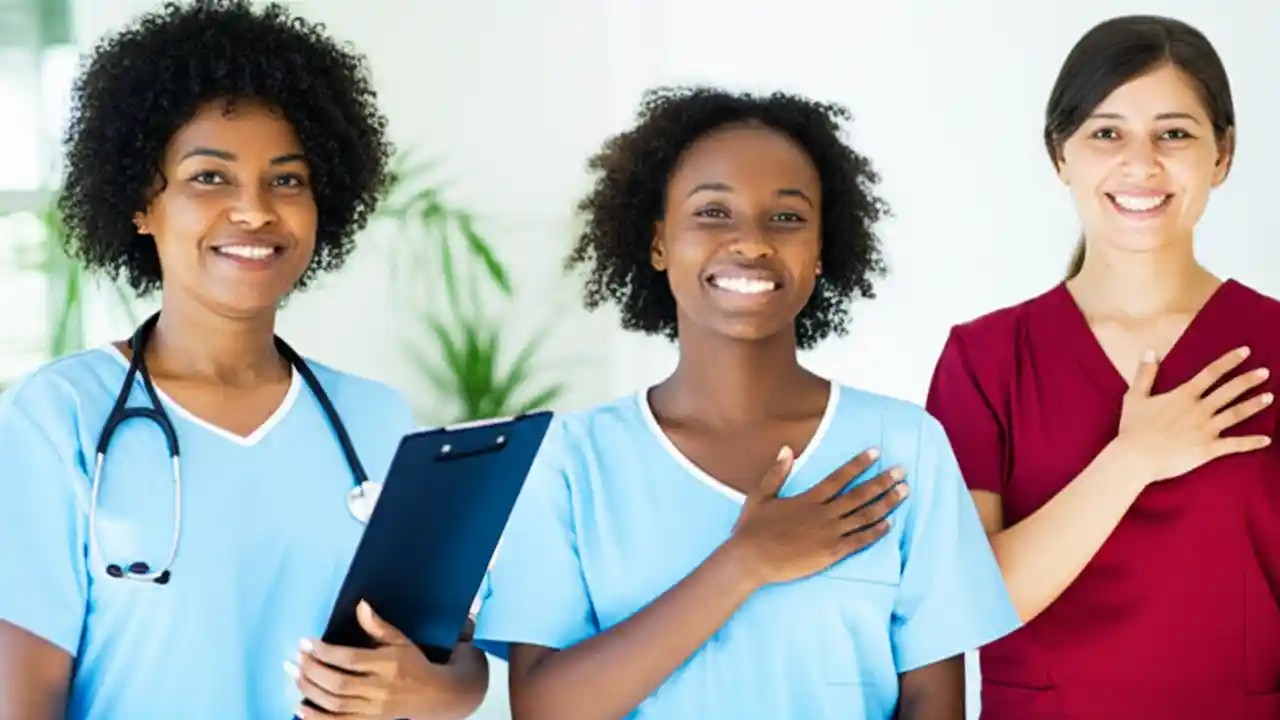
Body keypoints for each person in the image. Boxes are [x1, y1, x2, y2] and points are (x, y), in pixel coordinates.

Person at [0, 2, 487, 719]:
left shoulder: (374, 419)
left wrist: (434, 689)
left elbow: (456, 663)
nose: (256, 210)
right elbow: (23, 697)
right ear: (142, 202)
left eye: (286, 180)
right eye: (209, 178)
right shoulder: (57, 418)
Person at [472, 86, 1020, 719]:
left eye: (786, 218)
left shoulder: (904, 447)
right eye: (712, 212)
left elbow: (932, 700)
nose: (752, 241)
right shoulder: (570, 459)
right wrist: (743, 563)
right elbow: (544, 710)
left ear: (821, 252)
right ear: (657, 243)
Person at [926, 15, 1280, 720]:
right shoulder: (984, 359)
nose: (1141, 163)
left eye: (1174, 133)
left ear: (1223, 154)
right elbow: (964, 605)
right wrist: (1133, 459)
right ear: (1061, 155)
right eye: (1106, 133)